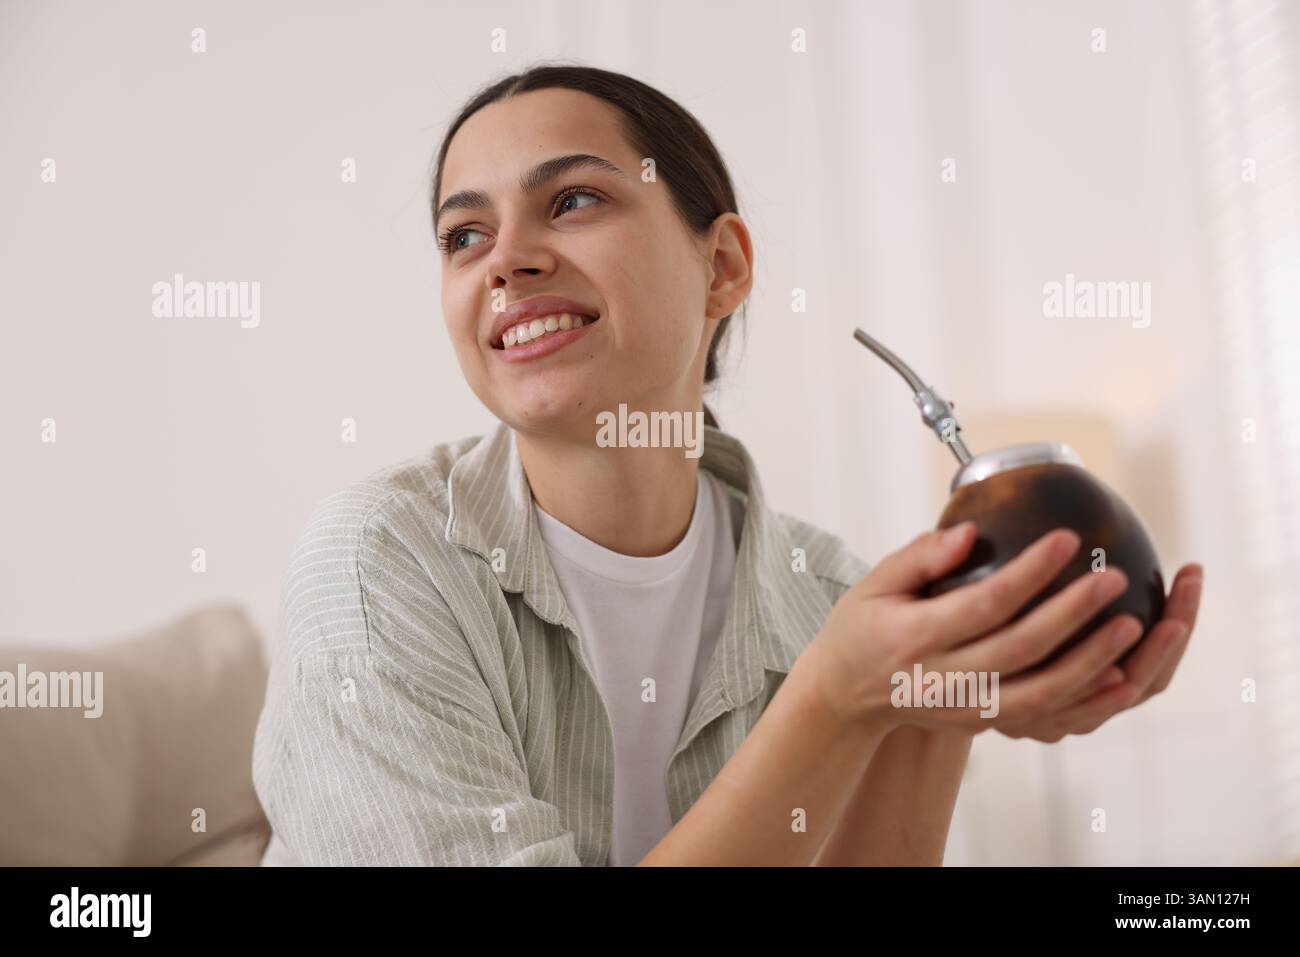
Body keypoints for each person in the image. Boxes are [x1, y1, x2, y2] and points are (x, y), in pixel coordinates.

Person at [251, 63, 1204, 866]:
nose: (506, 260)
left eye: (572, 199)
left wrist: (937, 708)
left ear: (723, 267)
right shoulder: (378, 571)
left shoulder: (832, 594)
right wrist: (834, 701)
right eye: (466, 235)